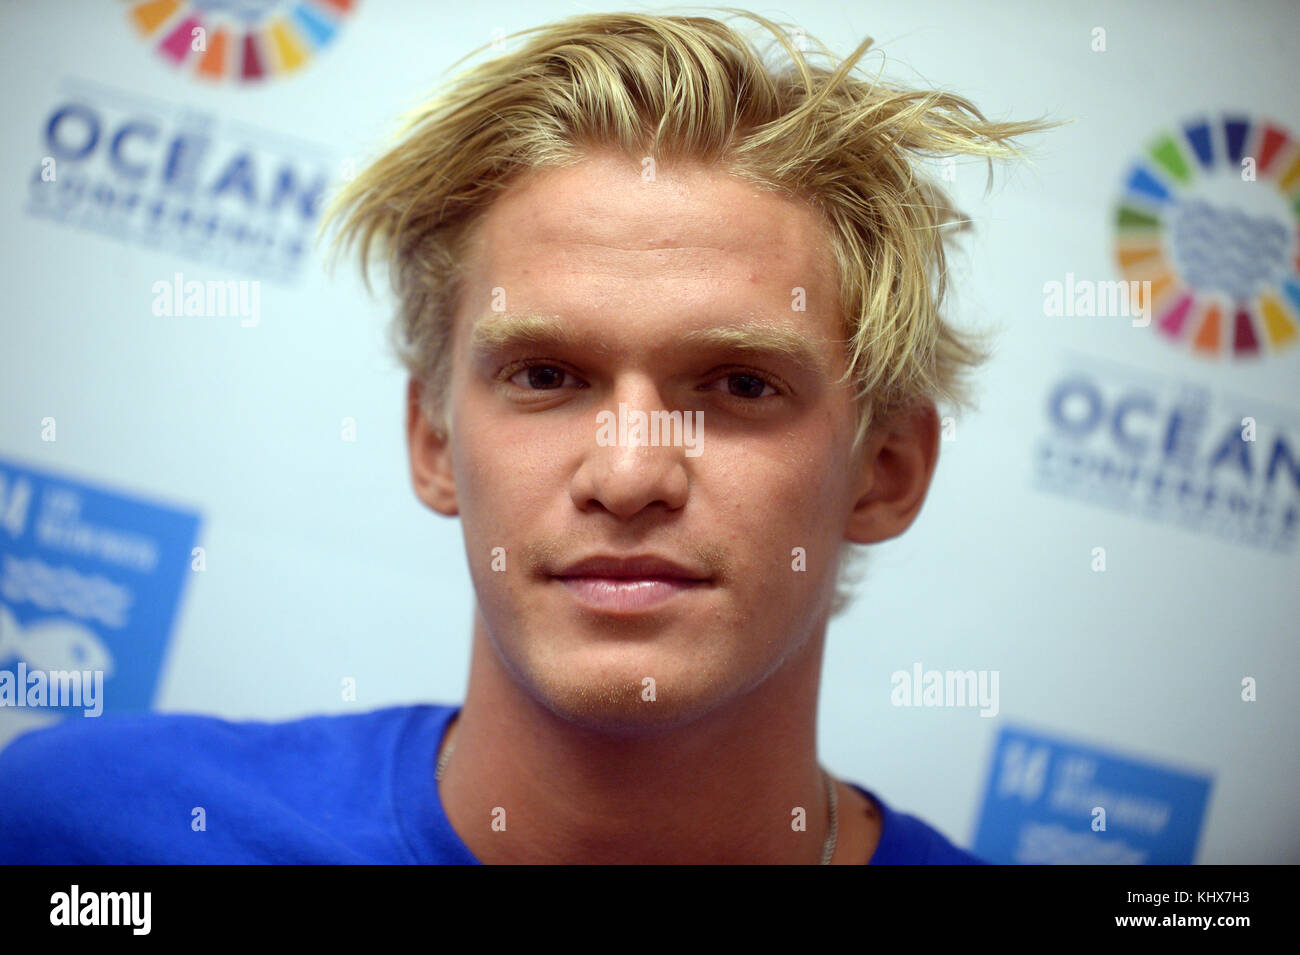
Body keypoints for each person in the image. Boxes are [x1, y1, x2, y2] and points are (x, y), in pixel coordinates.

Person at [0, 10, 1050, 864]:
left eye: (740, 385)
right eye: (545, 376)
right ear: (432, 440)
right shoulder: (84, 830)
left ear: (885, 470)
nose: (629, 474)